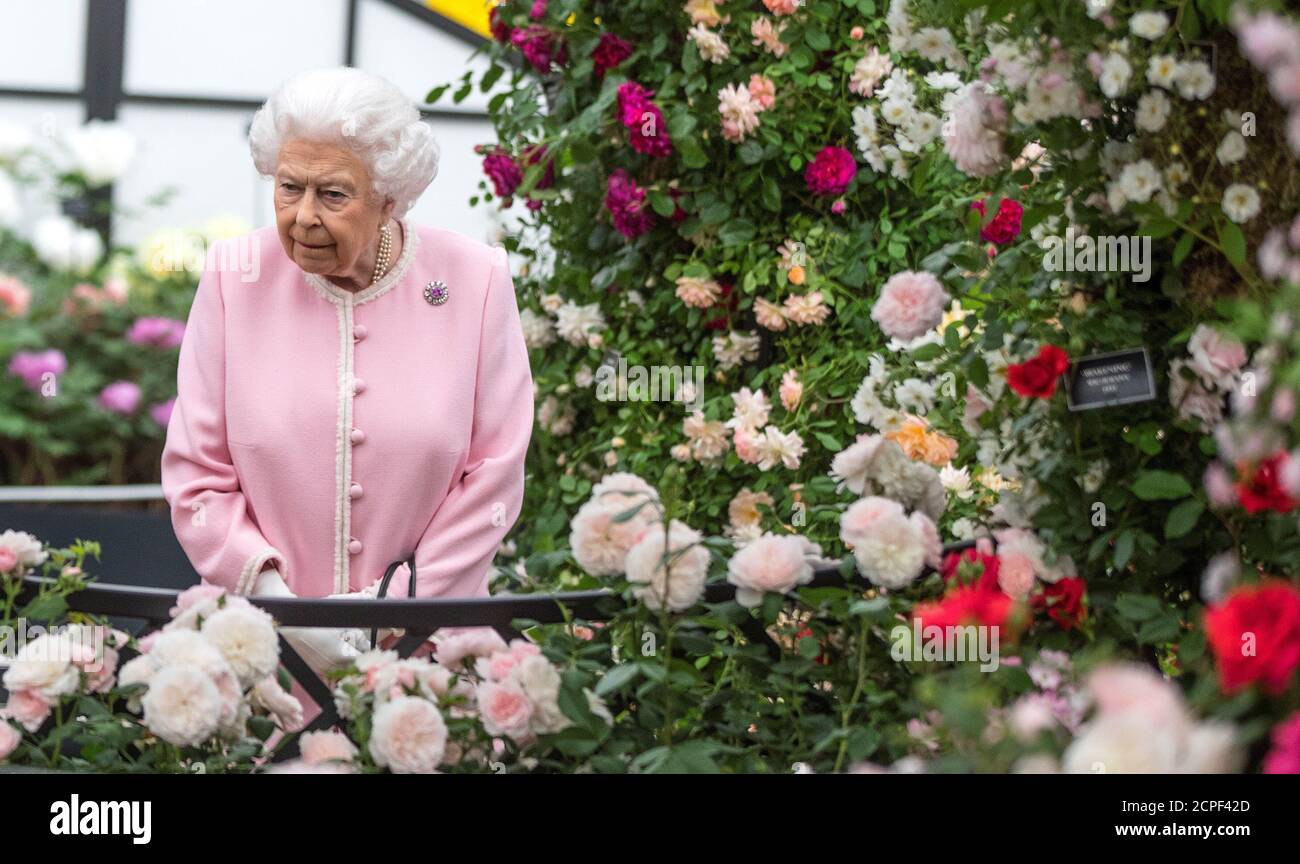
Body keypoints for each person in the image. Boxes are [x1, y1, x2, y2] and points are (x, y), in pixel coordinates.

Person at [160, 66, 534, 704]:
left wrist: (390, 612)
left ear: (391, 198)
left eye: (333, 194)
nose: (303, 217)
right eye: (288, 188)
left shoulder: (475, 279)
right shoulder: (233, 276)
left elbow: (494, 474)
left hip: (430, 653)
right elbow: (198, 474)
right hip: (268, 659)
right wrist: (284, 613)